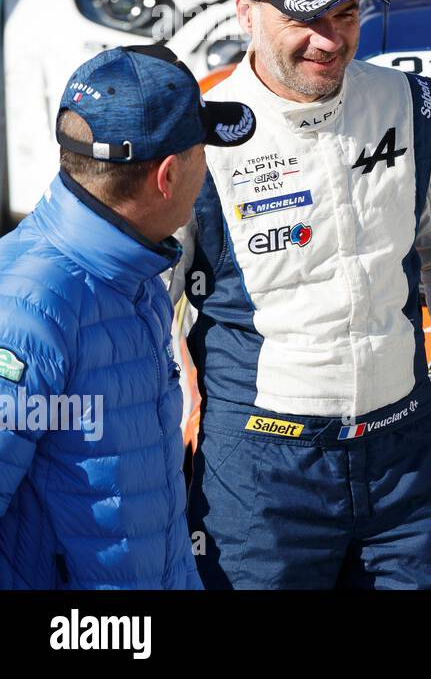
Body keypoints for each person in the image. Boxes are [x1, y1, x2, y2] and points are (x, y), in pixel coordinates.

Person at [173, 0, 431, 589]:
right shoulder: (196, 127)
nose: (329, 39)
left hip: (408, 458)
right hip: (264, 472)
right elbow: (141, 300)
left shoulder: (410, 104)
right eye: (306, 17)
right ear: (246, 13)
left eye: (347, 13)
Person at [0, 45, 256, 588]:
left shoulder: (129, 274)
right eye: (202, 150)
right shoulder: (28, 306)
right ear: (166, 176)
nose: (206, 170)